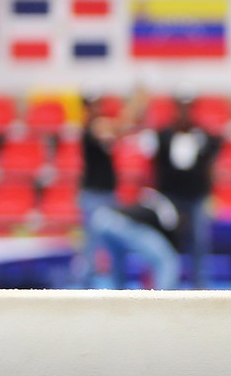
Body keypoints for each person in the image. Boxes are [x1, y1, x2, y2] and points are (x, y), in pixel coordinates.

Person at [146, 96, 219, 288]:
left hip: (196, 197)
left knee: (200, 243)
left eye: (188, 107)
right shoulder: (164, 135)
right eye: (181, 107)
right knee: (168, 243)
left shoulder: (202, 136)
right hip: (171, 199)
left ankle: (200, 287)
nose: (184, 112)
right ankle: (166, 286)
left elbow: (212, 163)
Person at [73, 93, 140, 289]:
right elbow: (120, 125)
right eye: (91, 105)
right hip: (94, 196)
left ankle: (117, 286)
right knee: (91, 246)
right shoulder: (92, 127)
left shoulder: (99, 127)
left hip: (108, 195)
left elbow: (120, 129)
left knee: (113, 243)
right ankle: (85, 288)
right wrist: (137, 100)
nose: (96, 108)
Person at [87, 187, 184, 290]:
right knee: (167, 260)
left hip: (101, 218)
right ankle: (164, 299)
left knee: (117, 260)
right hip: (116, 220)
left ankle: (116, 298)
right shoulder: (171, 220)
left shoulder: (161, 203)